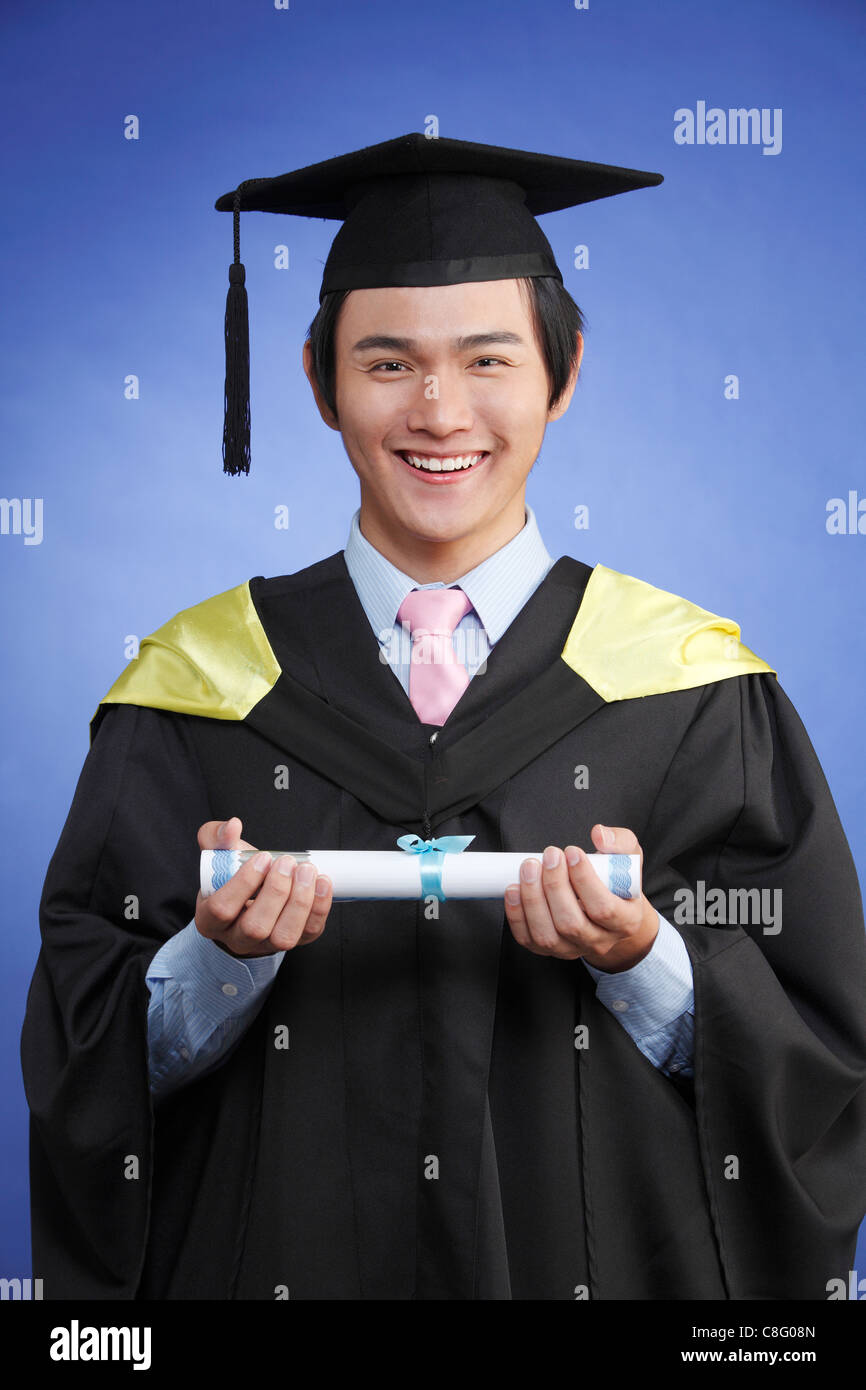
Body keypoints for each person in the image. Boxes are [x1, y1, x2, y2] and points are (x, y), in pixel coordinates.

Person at [21, 133, 866, 1301]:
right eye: (386, 364)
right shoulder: (194, 690)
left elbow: (820, 1053)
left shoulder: (691, 692)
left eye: (486, 359)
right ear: (318, 379)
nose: (438, 409)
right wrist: (210, 965)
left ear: (561, 378)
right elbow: (78, 1058)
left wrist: (649, 963)